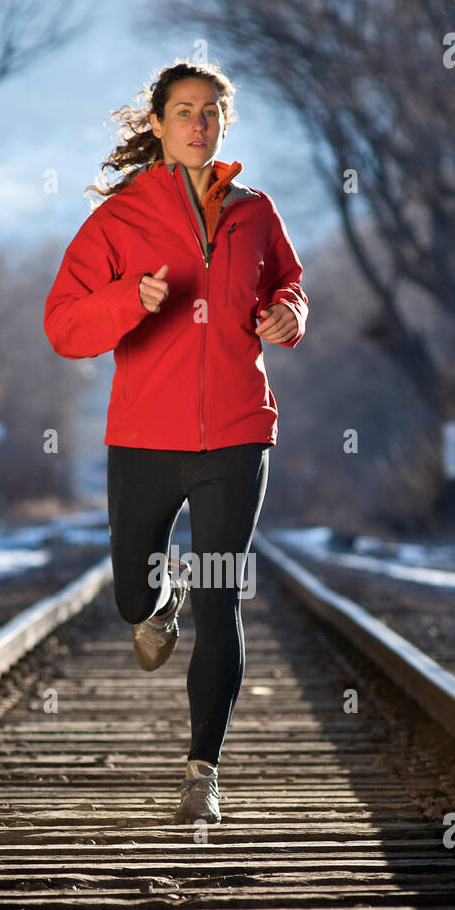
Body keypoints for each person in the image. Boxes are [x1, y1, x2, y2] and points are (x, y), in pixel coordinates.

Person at [44, 59, 308, 824]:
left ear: (223, 123)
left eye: (211, 111)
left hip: (236, 432)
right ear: (156, 124)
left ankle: (203, 773)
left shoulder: (255, 211)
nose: (198, 123)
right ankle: (162, 598)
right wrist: (130, 299)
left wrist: (289, 313)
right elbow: (63, 324)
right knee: (131, 590)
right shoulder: (118, 219)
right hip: (144, 436)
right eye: (184, 111)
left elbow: (287, 282)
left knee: (224, 594)